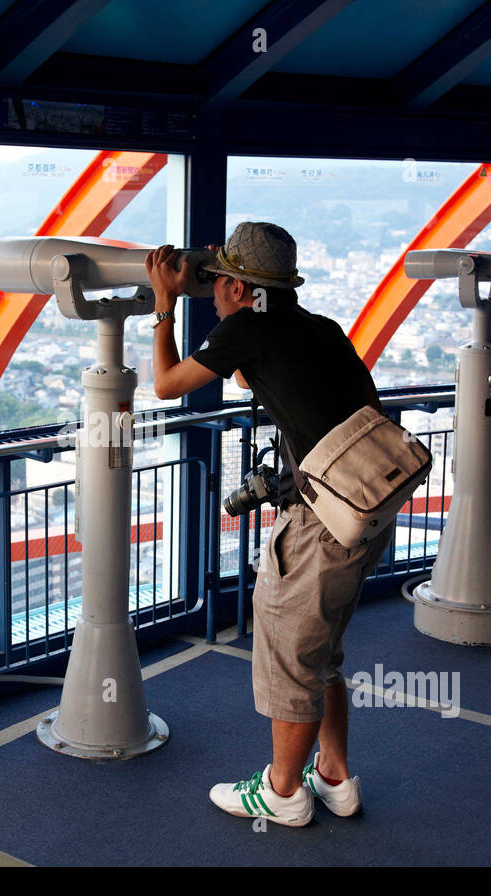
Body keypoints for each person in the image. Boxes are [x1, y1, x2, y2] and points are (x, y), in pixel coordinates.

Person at [146, 221, 393, 827]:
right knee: (323, 650)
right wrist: (230, 305)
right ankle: (333, 776)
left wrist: (164, 307)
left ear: (235, 285)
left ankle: (283, 792)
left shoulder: (250, 330)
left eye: (220, 280)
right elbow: (248, 373)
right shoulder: (320, 329)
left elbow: (164, 385)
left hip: (321, 520)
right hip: (369, 506)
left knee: (290, 654)